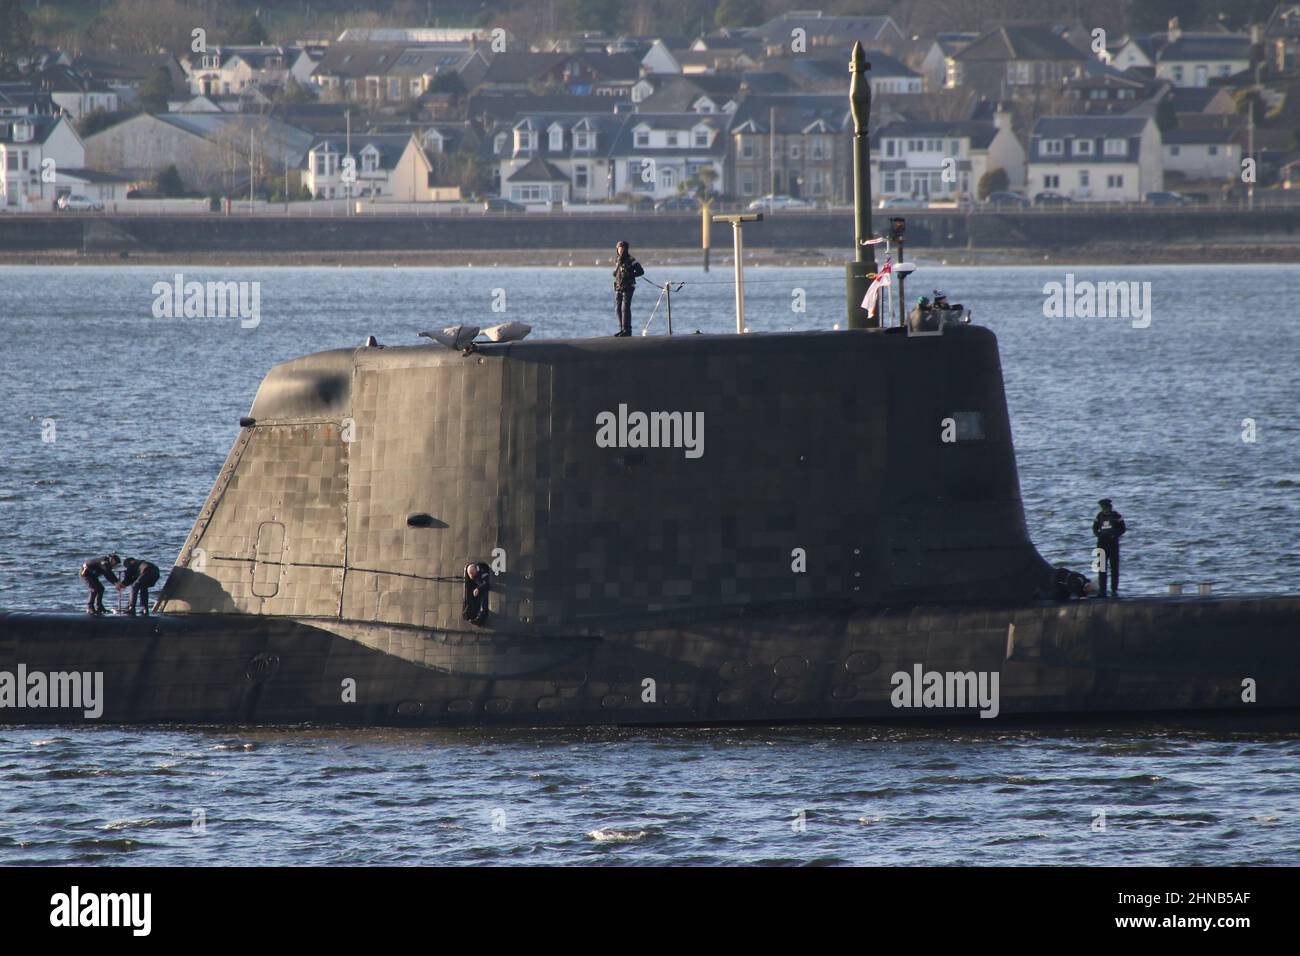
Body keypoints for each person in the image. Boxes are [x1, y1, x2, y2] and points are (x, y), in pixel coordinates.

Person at [1092, 498, 1127, 597]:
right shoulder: (1099, 516)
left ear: (1109, 507)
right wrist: (1098, 535)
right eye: (1103, 508)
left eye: (1106, 507)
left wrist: (1115, 535)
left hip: (1113, 542)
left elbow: (1123, 528)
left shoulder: (1116, 516)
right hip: (1102, 542)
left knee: (1114, 567)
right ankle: (1102, 590)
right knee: (1102, 567)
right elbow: (1094, 528)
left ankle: (1114, 589)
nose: (1105, 509)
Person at [612, 240, 644, 337]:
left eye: (622, 249)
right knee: (618, 308)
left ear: (625, 249)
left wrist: (630, 274)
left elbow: (641, 271)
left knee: (625, 308)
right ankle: (622, 329)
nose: (620, 251)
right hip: (618, 287)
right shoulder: (617, 260)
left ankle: (627, 330)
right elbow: (616, 273)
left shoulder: (631, 260)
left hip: (628, 287)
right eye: (619, 249)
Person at [462, 561, 492, 626]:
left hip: (484, 588)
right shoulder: (474, 573)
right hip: (480, 588)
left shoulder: (483, 572)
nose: (471, 576)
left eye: (472, 573)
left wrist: (478, 589)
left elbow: (487, 583)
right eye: (469, 574)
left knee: (484, 599)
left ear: (476, 569)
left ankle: (480, 618)